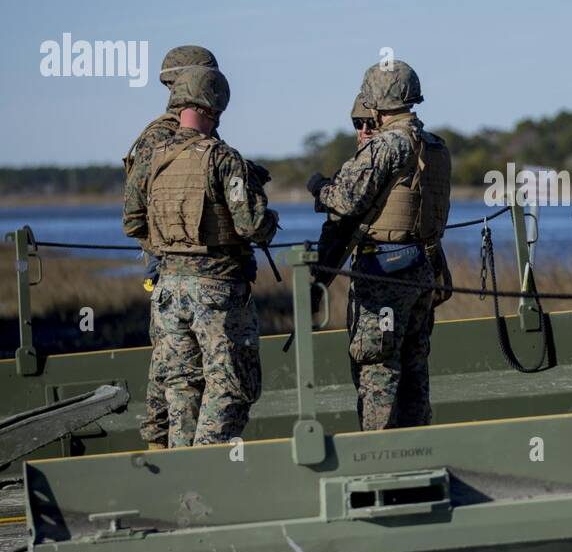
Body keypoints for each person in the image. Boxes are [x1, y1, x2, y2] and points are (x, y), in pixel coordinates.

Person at [124, 64, 278, 445]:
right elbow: (251, 225)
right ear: (215, 105)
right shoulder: (223, 158)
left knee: (181, 387)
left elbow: (132, 222)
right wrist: (269, 217)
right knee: (230, 385)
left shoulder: (151, 158)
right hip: (218, 291)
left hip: (168, 293)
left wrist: (171, 249)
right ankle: (209, 465)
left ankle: (182, 472)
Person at [310, 61, 452, 429]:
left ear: (376, 101)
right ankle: (419, 449)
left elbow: (344, 201)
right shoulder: (435, 147)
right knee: (415, 368)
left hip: (383, 275)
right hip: (421, 268)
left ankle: (380, 459)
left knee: (378, 370)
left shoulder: (387, 145)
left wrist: (319, 188)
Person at [121, 45, 221, 449]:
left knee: (185, 372)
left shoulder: (194, 133)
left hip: (197, 274)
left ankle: (176, 454)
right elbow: (136, 213)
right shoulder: (159, 139)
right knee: (173, 371)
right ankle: (164, 453)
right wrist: (169, 250)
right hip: (174, 273)